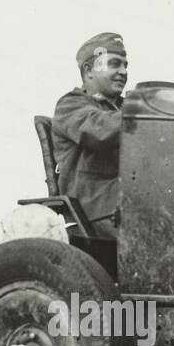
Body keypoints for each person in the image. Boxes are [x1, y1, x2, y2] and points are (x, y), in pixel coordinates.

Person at [51, 32, 128, 239]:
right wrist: (145, 114)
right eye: (114, 64)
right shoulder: (71, 104)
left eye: (125, 65)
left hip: (125, 205)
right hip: (95, 212)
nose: (123, 72)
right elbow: (100, 130)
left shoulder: (124, 107)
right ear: (89, 70)